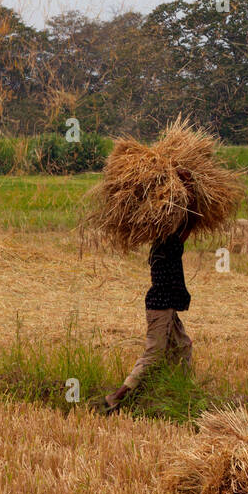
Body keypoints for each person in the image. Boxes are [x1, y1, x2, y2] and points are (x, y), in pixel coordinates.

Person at [103, 168, 196, 413]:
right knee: (154, 354)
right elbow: (191, 221)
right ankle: (117, 396)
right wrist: (190, 188)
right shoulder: (166, 247)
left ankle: (180, 391)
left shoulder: (161, 245)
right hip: (160, 308)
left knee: (183, 345)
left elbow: (187, 223)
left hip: (167, 307)